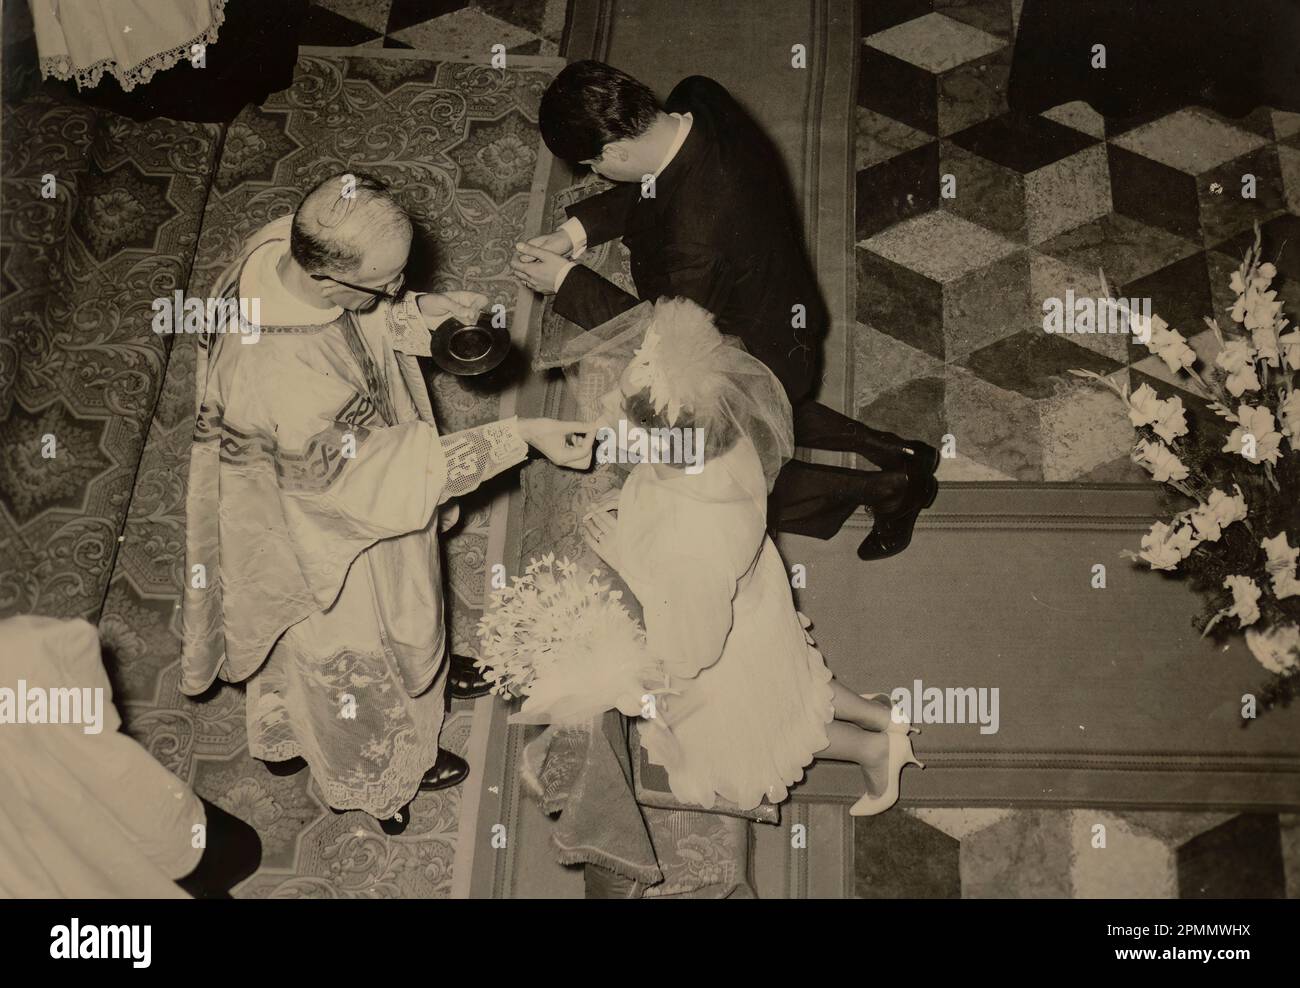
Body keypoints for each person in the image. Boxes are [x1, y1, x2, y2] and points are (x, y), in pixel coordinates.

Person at [180, 173, 596, 832]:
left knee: (413, 603)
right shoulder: (279, 379)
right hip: (324, 536)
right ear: (326, 281)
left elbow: (363, 326)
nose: (397, 291)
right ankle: (382, 772)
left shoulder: (287, 245)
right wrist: (523, 436)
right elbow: (384, 477)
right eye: (387, 284)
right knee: (356, 651)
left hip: (349, 470)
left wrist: (418, 315)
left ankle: (421, 670)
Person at [514, 61, 938, 560]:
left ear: (616, 151)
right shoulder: (698, 97)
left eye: (594, 166)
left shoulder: (698, 238)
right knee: (780, 402)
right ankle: (895, 449)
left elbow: (665, 333)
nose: (596, 175)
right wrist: (574, 232)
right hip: (780, 316)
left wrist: (564, 281)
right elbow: (659, 183)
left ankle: (889, 490)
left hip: (744, 348)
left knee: (719, 470)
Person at [577, 297, 922, 815]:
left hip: (724, 651)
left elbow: (693, 651)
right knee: (795, 679)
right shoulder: (719, 439)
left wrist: (628, 561)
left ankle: (875, 746)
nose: (608, 407)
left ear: (660, 440)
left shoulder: (686, 542)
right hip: (757, 604)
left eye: (622, 414)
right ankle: (880, 714)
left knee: (769, 721)